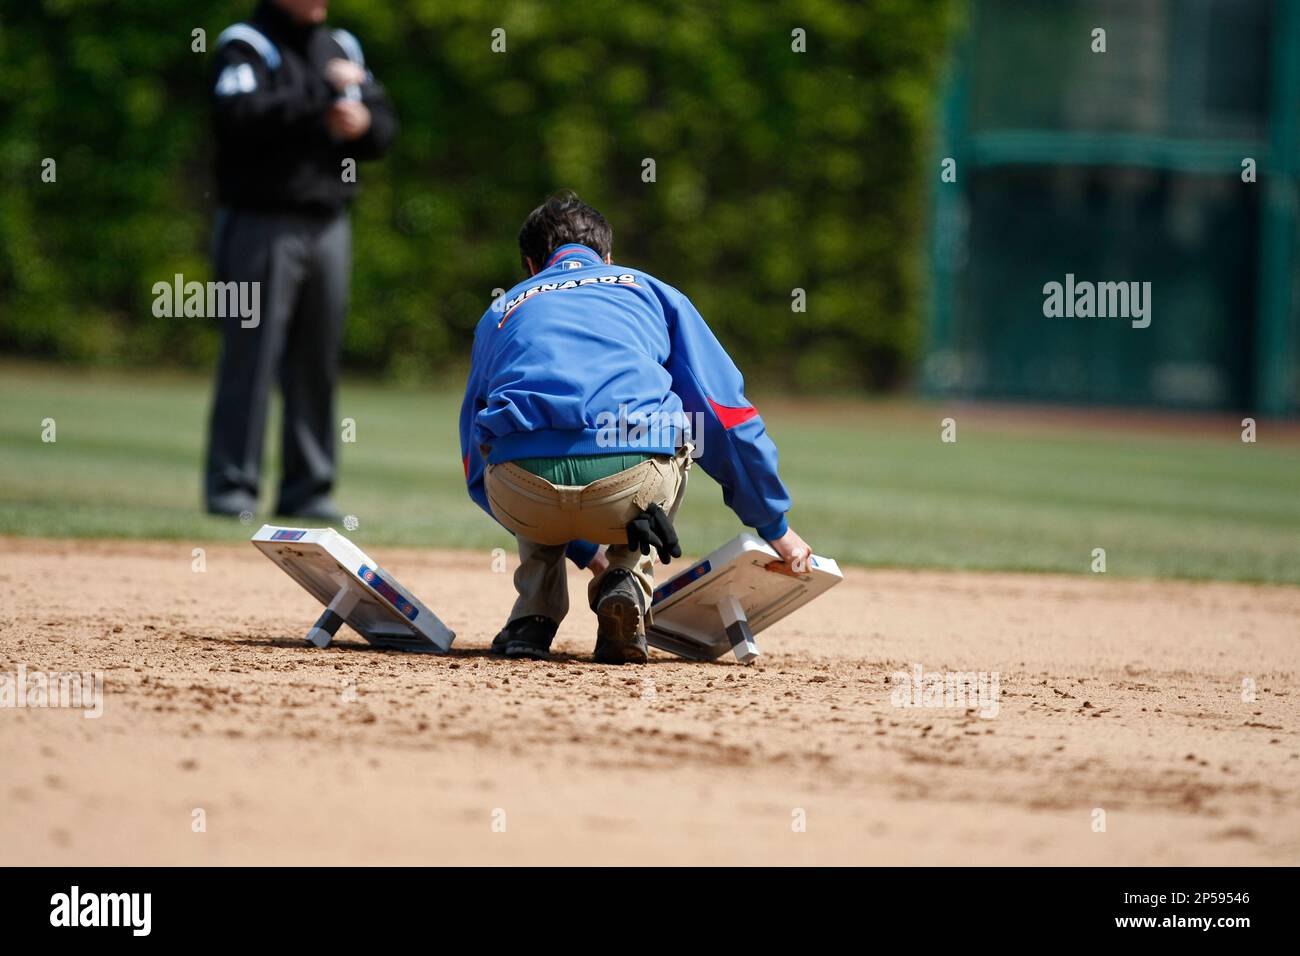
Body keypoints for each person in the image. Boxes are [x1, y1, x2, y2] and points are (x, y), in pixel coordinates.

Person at [460, 192, 811, 664]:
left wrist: (579, 545)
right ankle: (626, 576)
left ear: (530, 266)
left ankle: (533, 616)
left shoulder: (501, 310)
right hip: (629, 485)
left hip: (522, 495)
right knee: (676, 428)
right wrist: (774, 524)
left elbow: (472, 451)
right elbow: (725, 419)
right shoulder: (652, 290)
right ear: (608, 257)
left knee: (521, 431)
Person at [203, 0, 397, 520]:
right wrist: (323, 100)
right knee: (252, 355)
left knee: (317, 360)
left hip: (329, 223)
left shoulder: (343, 45)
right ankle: (232, 488)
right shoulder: (246, 43)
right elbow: (238, 116)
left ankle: (307, 490)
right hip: (261, 222)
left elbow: (383, 129)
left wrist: (361, 123)